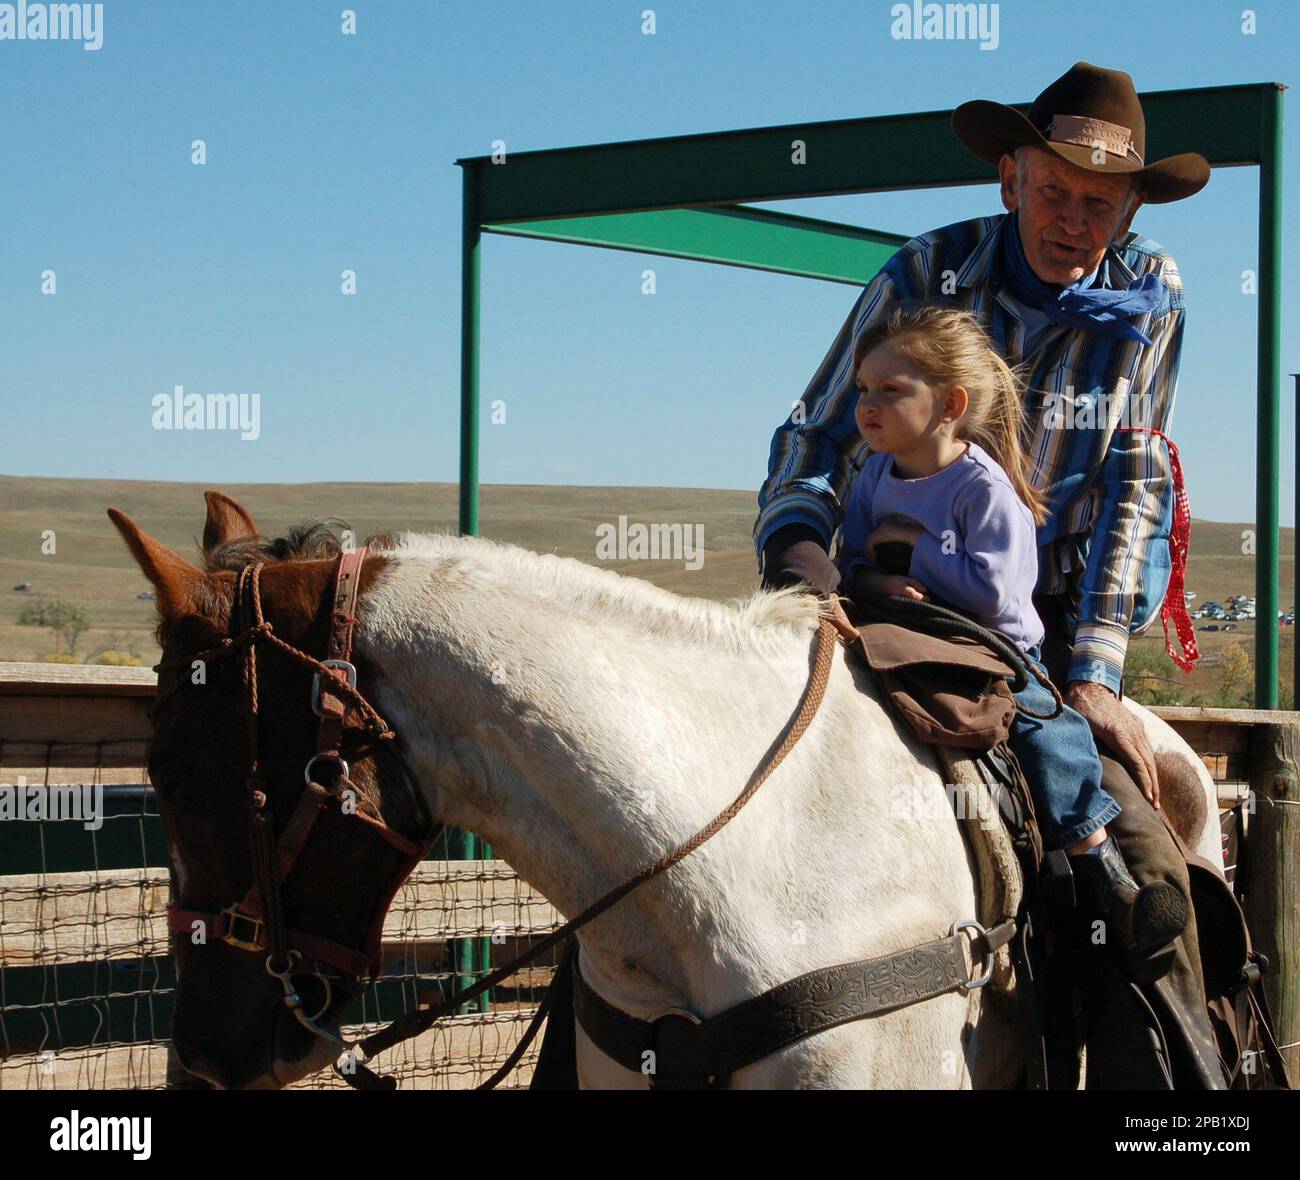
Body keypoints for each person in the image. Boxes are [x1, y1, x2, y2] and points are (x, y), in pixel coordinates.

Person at [756, 62, 1225, 1085]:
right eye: (1051, 189)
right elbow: (818, 434)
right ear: (1007, 179)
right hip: (878, 595)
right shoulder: (925, 272)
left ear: (1131, 205)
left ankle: (1183, 1094)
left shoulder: (1153, 296)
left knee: (1138, 867)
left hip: (1039, 622)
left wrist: (1093, 672)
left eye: (1097, 200)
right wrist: (799, 572)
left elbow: (1135, 483)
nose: (1070, 217)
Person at [838, 302, 1188, 962]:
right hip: (905, 629)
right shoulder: (875, 472)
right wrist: (878, 580)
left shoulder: (983, 488)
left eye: (890, 390)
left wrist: (912, 552)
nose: (867, 406)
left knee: (1043, 730)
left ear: (950, 404)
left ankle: (1100, 863)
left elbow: (995, 594)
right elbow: (854, 554)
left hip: (993, 645)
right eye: (862, 390)